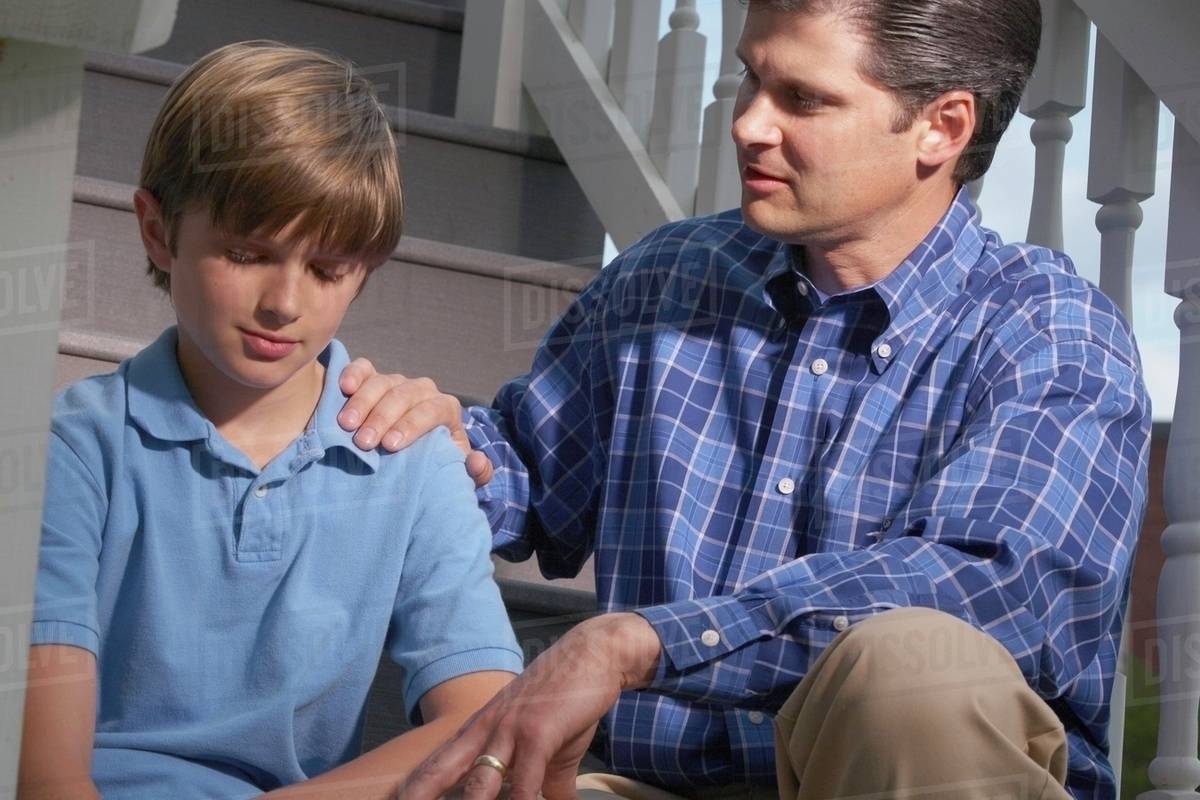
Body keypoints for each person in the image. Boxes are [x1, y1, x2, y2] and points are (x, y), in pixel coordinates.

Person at [338, 1, 1152, 798]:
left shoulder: (1052, 332)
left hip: (892, 775)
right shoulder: (670, 276)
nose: (750, 125)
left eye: (803, 98)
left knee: (912, 672)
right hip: (638, 781)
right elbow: (526, 471)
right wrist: (434, 446)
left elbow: (991, 591)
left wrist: (646, 642)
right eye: (750, 81)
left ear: (942, 127)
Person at [18, 41, 524, 800]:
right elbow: (46, 776)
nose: (285, 302)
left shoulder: (412, 458)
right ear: (159, 231)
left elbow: (484, 713)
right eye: (248, 253)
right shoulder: (75, 449)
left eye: (327, 269)